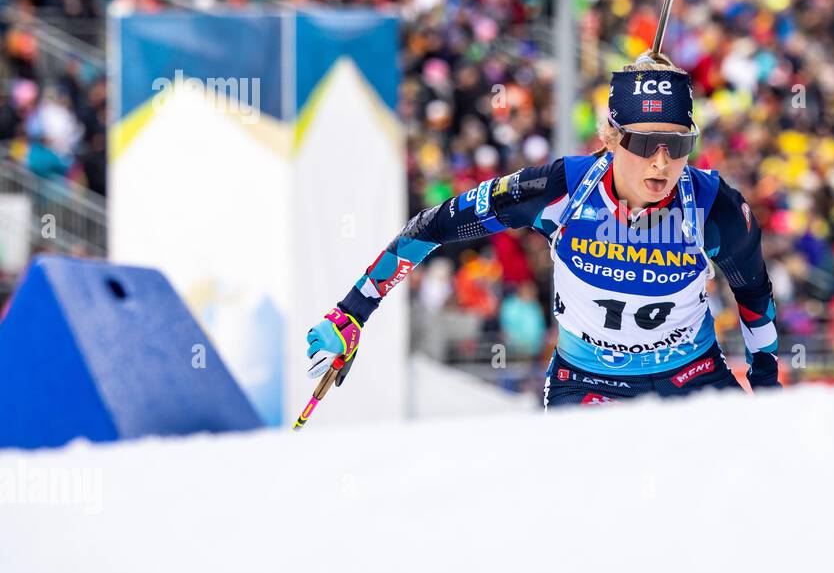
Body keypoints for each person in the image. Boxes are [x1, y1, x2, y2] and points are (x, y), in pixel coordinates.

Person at [305, 53, 781, 408]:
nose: (662, 161)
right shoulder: (560, 190)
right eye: (644, 142)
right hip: (590, 384)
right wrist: (353, 312)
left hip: (692, 376)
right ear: (611, 138)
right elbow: (433, 226)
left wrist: (765, 385)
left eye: (678, 144)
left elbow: (754, 297)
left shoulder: (713, 204)